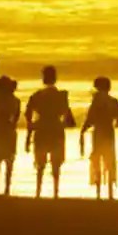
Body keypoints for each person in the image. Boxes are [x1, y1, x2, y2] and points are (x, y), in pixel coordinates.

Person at [24, 65, 75, 198]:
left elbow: (28, 114)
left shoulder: (37, 95)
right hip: (56, 127)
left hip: (41, 128)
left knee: (40, 164)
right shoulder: (61, 95)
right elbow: (68, 115)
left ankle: (38, 192)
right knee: (56, 164)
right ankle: (55, 192)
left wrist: (29, 134)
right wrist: (64, 123)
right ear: (55, 78)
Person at [80, 76, 118, 200]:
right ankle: (110, 192)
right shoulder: (113, 101)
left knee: (96, 160)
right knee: (109, 161)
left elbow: (90, 119)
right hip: (109, 132)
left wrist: (83, 130)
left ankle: (98, 191)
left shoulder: (96, 101)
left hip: (98, 132)